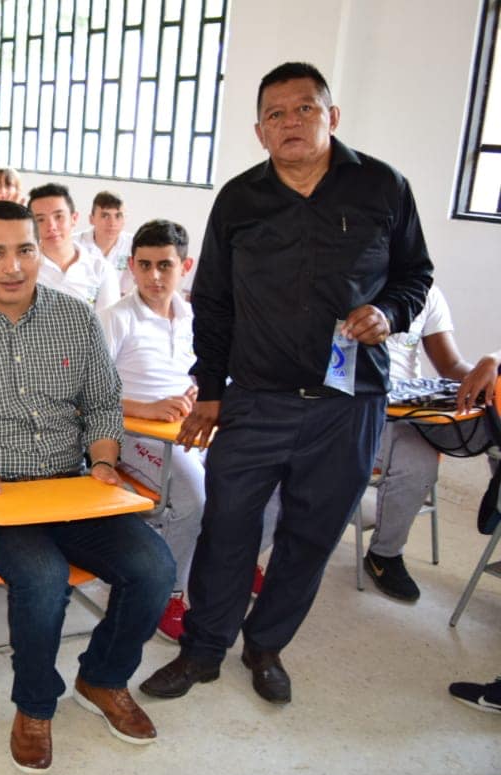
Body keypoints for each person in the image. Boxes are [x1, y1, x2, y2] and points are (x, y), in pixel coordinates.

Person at [141, 62, 433, 706]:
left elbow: (416, 274)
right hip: (256, 398)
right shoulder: (241, 199)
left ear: (332, 116)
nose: (291, 123)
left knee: (311, 532)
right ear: (259, 131)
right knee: (229, 526)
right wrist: (210, 390)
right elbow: (212, 302)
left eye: (305, 109)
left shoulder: (383, 186)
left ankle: (267, 644)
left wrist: (389, 312)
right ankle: (203, 648)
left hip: (348, 402)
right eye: (276, 114)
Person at [0, 201, 174, 774]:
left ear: (39, 250)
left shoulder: (75, 320)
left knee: (154, 567)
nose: (12, 266)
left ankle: (101, 678)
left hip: (71, 487)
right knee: (43, 577)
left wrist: (102, 461)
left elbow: (101, 406)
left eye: (24, 249)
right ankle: (35, 705)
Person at [99, 220, 201, 641]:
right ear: (131, 266)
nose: (154, 276)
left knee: (267, 485)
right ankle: (169, 592)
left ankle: (219, 568)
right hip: (133, 435)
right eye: (144, 265)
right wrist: (147, 408)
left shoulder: (194, 316)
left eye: (165, 265)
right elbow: (84, 395)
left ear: (186, 266)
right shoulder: (114, 319)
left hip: (188, 431)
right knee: (196, 498)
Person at [363, 287, 476, 600]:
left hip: (404, 410)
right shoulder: (351, 277)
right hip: (352, 404)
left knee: (420, 463)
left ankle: (383, 555)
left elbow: (450, 365)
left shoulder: (427, 294)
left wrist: (482, 375)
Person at [27, 183, 118, 313]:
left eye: (58, 217)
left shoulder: (101, 270)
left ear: (74, 218)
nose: (51, 226)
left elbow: (107, 325)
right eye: (40, 220)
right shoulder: (23, 270)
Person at [75, 190, 134, 297]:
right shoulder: (74, 244)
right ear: (91, 219)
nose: (112, 223)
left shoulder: (135, 245)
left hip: (119, 305)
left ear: (125, 219)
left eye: (118, 216)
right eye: (105, 216)